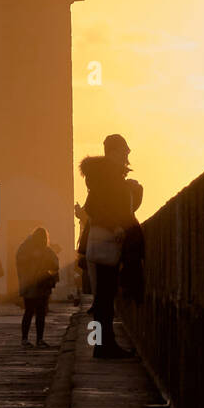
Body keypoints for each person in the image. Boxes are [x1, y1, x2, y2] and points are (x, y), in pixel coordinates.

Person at [78, 133, 138, 359]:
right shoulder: (107, 175)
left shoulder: (103, 175)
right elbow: (95, 207)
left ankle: (103, 344)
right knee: (104, 299)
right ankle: (103, 346)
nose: (127, 154)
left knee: (103, 298)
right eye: (124, 150)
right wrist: (115, 226)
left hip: (102, 240)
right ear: (113, 152)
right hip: (107, 241)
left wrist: (133, 191)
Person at [15, 227, 59, 347]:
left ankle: (34, 339)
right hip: (33, 286)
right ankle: (30, 339)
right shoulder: (29, 249)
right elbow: (55, 264)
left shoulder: (28, 249)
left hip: (38, 286)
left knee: (36, 313)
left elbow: (55, 264)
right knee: (32, 312)